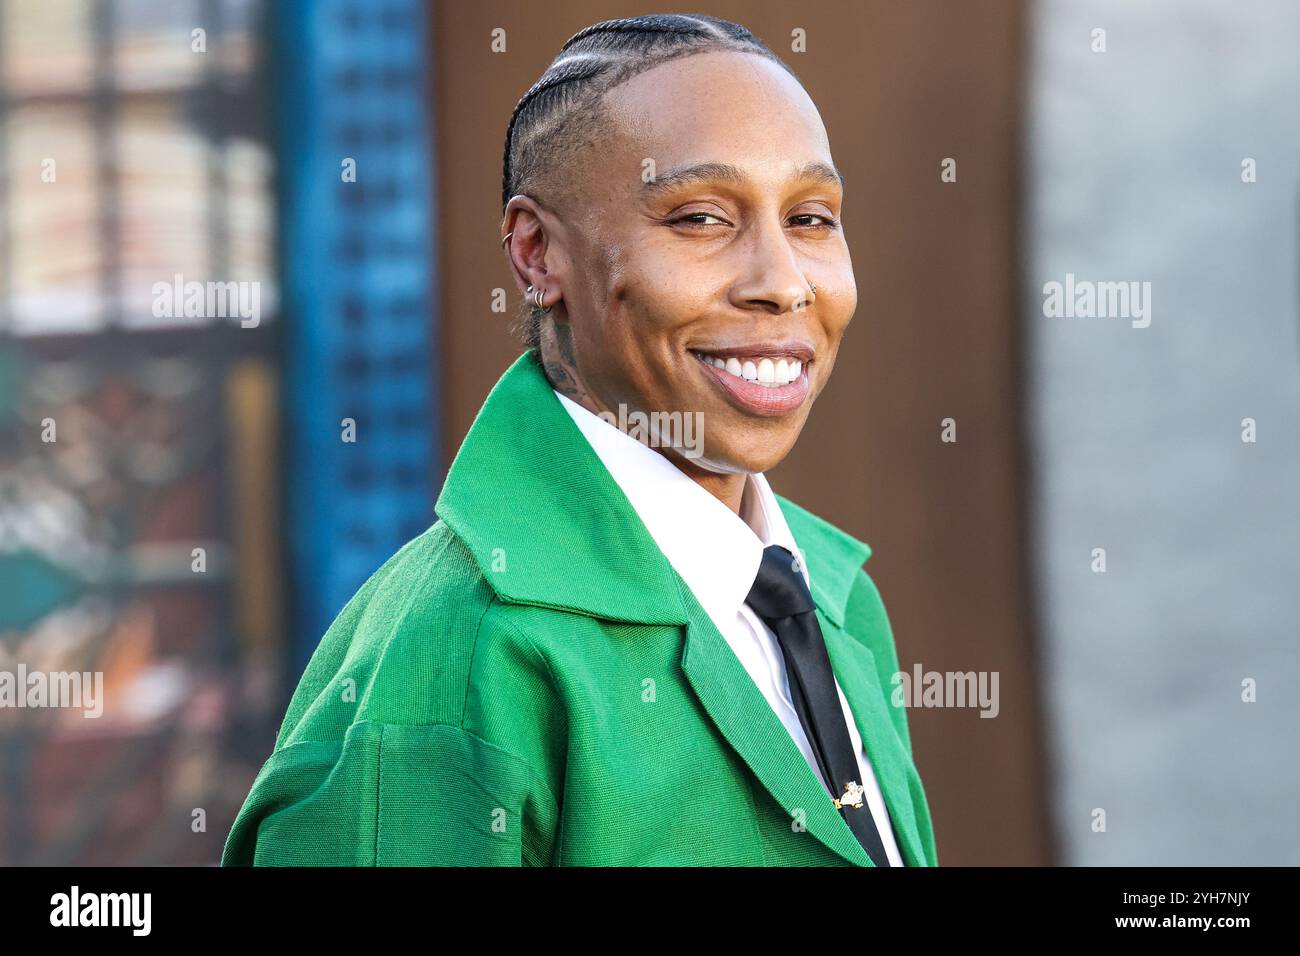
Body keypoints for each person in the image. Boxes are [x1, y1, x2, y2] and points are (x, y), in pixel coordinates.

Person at [223, 12, 937, 867]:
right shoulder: (459, 661)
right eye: (702, 218)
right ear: (537, 254)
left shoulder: (829, 597)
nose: (783, 284)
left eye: (813, 217)